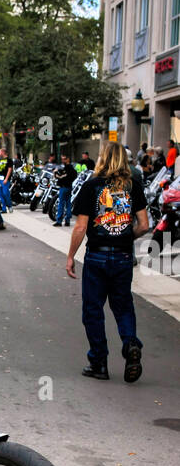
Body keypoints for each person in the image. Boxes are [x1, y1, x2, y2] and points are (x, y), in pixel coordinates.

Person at [66, 140, 149, 381]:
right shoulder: (134, 186)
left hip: (97, 255)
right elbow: (144, 225)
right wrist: (125, 237)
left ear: (102, 159)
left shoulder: (91, 186)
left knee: (93, 310)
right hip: (123, 256)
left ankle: (99, 362)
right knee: (123, 306)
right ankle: (130, 343)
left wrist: (71, 256)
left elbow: (81, 227)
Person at [53, 153, 77, 227]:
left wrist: (55, 173)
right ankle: (67, 220)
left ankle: (59, 221)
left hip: (64, 187)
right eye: (62, 159)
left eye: (64, 159)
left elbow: (59, 176)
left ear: (68, 159)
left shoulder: (66, 169)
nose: (62, 160)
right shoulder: (72, 169)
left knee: (61, 204)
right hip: (69, 187)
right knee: (68, 204)